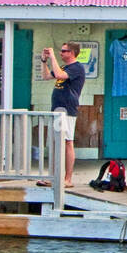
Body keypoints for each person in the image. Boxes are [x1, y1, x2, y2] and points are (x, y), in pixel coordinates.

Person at [44, 42, 85, 189]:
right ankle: (54, 176)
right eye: (60, 51)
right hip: (57, 107)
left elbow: (60, 75)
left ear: (72, 53)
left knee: (67, 141)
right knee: (55, 141)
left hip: (67, 108)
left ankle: (68, 178)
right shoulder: (64, 67)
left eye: (63, 51)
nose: (61, 53)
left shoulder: (77, 67)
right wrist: (44, 61)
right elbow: (47, 76)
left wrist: (53, 56)